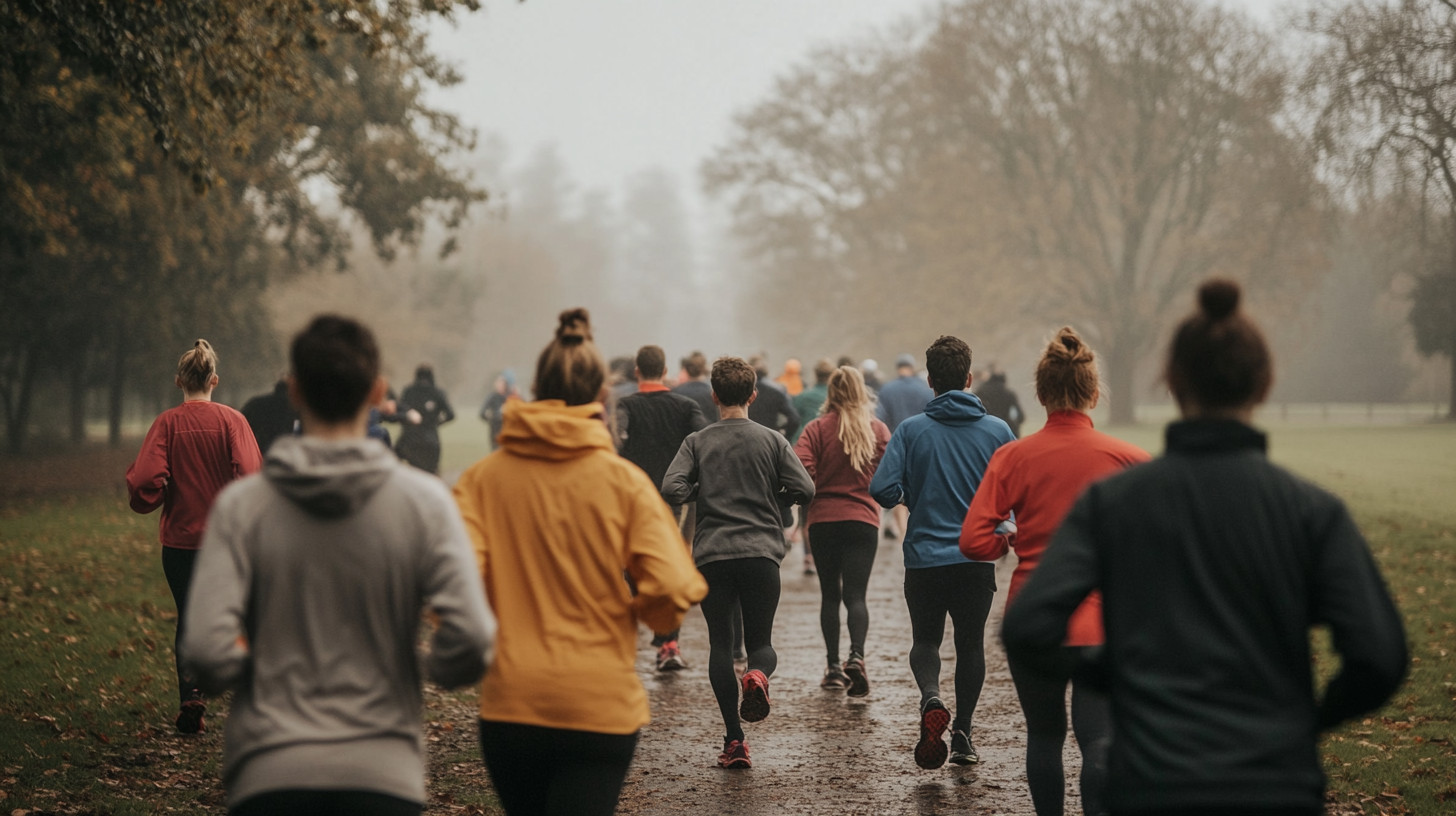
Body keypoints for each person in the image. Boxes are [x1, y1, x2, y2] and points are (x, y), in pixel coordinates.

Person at [1003, 280, 1409, 816]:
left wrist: (1109, 671)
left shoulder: (1114, 504)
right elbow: (1380, 658)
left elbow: (1028, 624)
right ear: (1263, 384)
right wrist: (1304, 721)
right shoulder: (1311, 511)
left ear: (1172, 381)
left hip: (1153, 778)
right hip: (1271, 782)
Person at [181, 316, 497, 816]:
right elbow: (474, 638)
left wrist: (266, 682)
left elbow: (204, 648)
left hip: (270, 768)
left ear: (294, 390)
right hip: (382, 769)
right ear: (378, 392)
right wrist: (412, 670)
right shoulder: (424, 504)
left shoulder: (243, 509)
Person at [453, 309, 707, 816]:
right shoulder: (624, 484)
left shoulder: (481, 481)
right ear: (601, 398)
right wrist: (639, 616)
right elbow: (674, 587)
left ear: (531, 391)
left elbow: (450, 587)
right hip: (599, 701)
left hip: (513, 701)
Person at [961, 328, 1151, 816]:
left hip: (1034, 615)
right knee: (1099, 740)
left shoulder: (1013, 457)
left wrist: (1010, 539)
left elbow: (973, 540)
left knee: (1044, 736)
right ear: (1093, 392)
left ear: (1041, 394)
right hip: (1101, 620)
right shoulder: (1130, 461)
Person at [662, 356, 815, 770]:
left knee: (719, 644)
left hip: (713, 554)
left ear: (713, 396)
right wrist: (775, 499)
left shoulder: (698, 441)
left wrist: (702, 490)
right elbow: (805, 487)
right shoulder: (771, 441)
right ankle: (758, 677)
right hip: (762, 552)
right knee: (761, 644)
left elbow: (671, 486)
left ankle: (734, 740)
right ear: (752, 394)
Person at [869, 336, 1014, 770]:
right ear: (969, 379)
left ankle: (931, 698)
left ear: (930, 381)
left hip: (925, 556)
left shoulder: (911, 431)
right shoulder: (997, 431)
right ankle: (964, 734)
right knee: (971, 646)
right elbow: (1011, 493)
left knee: (926, 640)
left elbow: (881, 488)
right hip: (976, 556)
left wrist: (913, 494)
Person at [126, 339, 263, 735]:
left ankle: (191, 697)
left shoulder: (166, 423)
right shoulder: (233, 421)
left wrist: (159, 491)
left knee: (188, 617)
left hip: (181, 542)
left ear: (178, 381)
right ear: (214, 380)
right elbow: (251, 476)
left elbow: (147, 478)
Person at [793, 366, 890, 695]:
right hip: (863, 520)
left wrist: (818, 483)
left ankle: (833, 668)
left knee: (830, 596)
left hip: (823, 521)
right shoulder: (876, 429)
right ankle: (857, 657)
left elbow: (800, 468)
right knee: (856, 596)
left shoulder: (816, 429)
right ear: (862, 391)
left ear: (831, 393)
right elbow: (890, 474)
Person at [614, 344, 709, 671]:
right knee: (674, 563)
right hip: (676, 498)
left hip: (632, 498)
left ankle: (654, 623)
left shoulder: (623, 407)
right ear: (665, 371)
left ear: (637, 372)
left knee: (631, 562)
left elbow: (614, 442)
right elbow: (706, 438)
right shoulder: (684, 406)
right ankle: (669, 643)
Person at [875, 353, 935, 539]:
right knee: (921, 485)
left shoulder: (887, 389)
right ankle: (919, 526)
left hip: (897, 443)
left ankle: (903, 532)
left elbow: (880, 418)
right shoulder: (925, 389)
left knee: (901, 487)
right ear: (912, 366)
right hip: (922, 443)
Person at [394, 364, 455, 474]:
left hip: (409, 439)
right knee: (431, 475)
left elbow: (399, 411)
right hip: (431, 439)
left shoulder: (408, 391)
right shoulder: (437, 392)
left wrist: (406, 422)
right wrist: (437, 423)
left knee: (412, 473)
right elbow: (451, 415)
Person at [746, 354, 801, 441]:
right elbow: (794, 419)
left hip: (747, 438)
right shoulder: (777, 391)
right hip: (769, 439)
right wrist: (783, 435)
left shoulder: (742, 391)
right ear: (765, 371)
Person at [239, 378, 297, 454]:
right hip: (289, 456)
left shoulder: (255, 404)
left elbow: (240, 432)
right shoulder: (299, 409)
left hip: (257, 457)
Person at [975, 366, 1025, 438]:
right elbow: (1021, 417)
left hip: (986, 432)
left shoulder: (981, 392)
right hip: (1006, 435)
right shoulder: (1009, 394)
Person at [478, 369, 520, 450]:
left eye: (501, 382)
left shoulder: (512, 396)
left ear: (506, 384)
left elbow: (522, 409)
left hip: (509, 431)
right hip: (495, 431)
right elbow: (482, 413)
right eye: (498, 382)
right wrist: (493, 420)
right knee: (496, 452)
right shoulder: (492, 397)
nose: (498, 384)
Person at [673, 351, 719, 423]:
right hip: (709, 431)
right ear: (703, 369)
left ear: (687, 370)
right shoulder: (712, 391)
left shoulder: (676, 392)